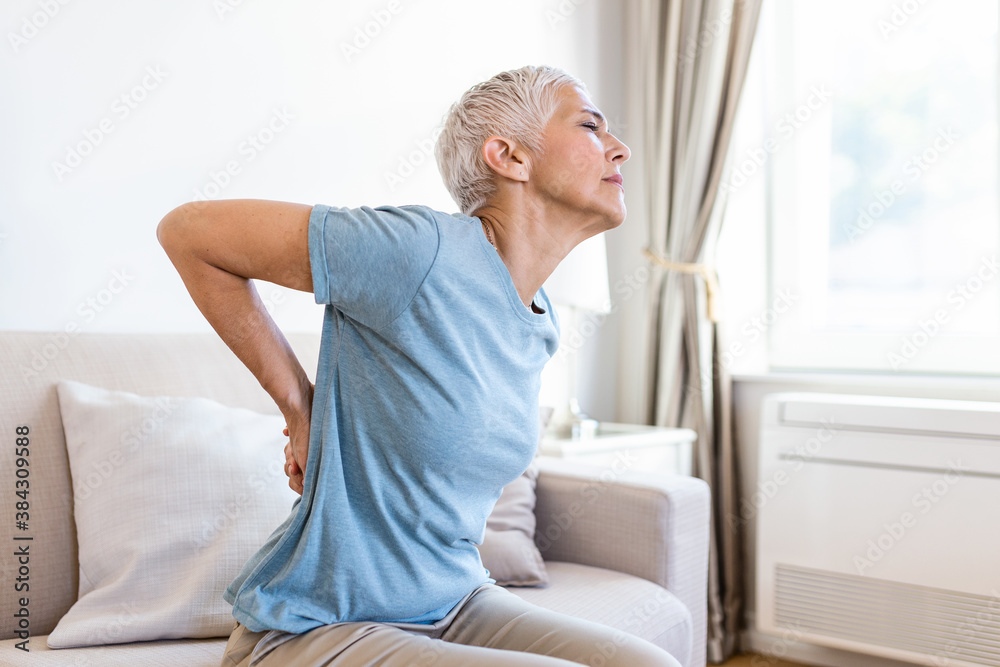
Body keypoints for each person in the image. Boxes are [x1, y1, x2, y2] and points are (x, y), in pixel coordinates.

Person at [157, 65, 679, 667]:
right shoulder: (418, 252)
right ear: (508, 156)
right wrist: (298, 405)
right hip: (317, 626)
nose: (621, 147)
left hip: (454, 602)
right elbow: (189, 234)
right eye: (590, 126)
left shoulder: (538, 320)